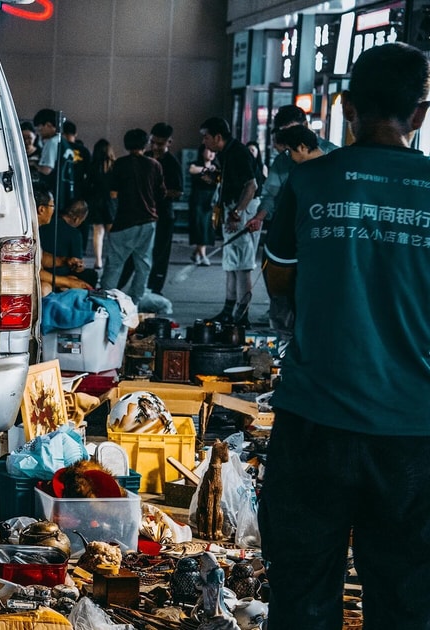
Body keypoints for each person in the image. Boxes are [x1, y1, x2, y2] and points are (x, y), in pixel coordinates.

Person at [261, 42, 430, 630]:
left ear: (346, 106)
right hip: (416, 434)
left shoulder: (310, 183)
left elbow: (278, 276)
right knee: (409, 601)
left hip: (315, 424)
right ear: (421, 112)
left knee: (302, 596)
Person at [252, 104, 339, 345]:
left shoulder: (334, 156)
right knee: (284, 300)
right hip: (287, 239)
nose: (286, 146)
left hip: (318, 240)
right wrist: (260, 216)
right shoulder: (285, 162)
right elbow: (270, 194)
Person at [200, 117, 259, 325]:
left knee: (242, 266)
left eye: (206, 137)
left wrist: (237, 212)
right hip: (233, 207)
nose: (204, 142)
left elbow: (251, 185)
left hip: (241, 209)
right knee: (232, 264)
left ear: (218, 137)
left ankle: (242, 315)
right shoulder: (226, 153)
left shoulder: (238, 153)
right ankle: (229, 310)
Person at [97, 128, 164, 303]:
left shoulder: (120, 164)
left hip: (124, 221)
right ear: (146, 144)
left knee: (115, 263)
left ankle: (106, 299)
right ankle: (135, 300)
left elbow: (112, 193)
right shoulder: (154, 165)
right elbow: (161, 193)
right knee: (144, 264)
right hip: (148, 221)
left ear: (126, 144)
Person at [145, 123, 183, 293]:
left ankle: (155, 288)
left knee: (160, 253)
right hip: (144, 214)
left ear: (169, 142)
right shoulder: (145, 156)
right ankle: (142, 285)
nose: (155, 147)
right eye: (152, 142)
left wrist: (160, 192)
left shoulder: (172, 163)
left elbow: (179, 191)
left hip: (164, 215)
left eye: (159, 144)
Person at [38, 194, 97, 291]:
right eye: (52, 206)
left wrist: (65, 261)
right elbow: (34, 270)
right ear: (41, 209)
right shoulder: (31, 231)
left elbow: (41, 257)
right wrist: (68, 282)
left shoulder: (42, 226)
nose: (53, 211)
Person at [86, 138, 116, 268]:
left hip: (95, 201)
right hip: (110, 202)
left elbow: (88, 185)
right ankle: (113, 259)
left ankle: (98, 261)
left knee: (97, 232)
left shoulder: (92, 166)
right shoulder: (114, 166)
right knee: (112, 234)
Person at [187, 144, 219, 265]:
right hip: (197, 199)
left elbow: (216, 181)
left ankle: (197, 253)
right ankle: (203, 255)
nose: (211, 153)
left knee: (207, 227)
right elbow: (192, 169)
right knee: (199, 226)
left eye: (213, 151)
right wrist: (206, 170)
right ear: (202, 152)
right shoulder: (196, 164)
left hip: (211, 200)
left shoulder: (217, 167)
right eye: (209, 150)